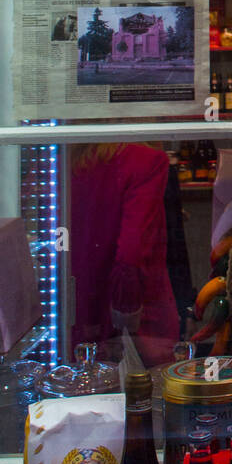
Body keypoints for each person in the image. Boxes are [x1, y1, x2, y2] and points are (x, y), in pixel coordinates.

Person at [70, 142, 179, 368]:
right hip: (140, 308)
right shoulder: (145, 160)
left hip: (80, 303)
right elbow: (133, 250)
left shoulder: (68, 160)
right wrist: (126, 312)